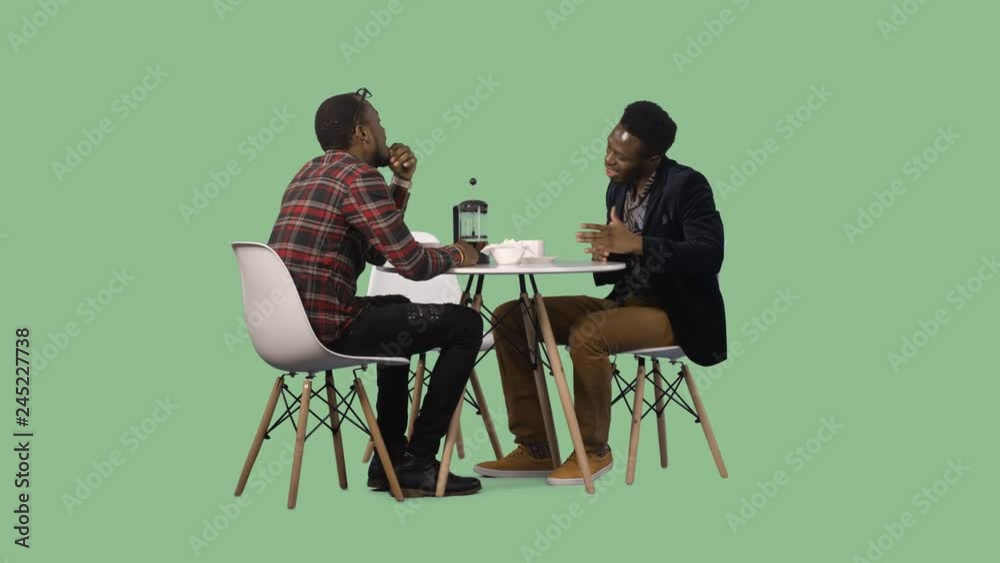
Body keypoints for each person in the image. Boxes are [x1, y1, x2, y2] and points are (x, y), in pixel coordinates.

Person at [474, 101, 727, 485]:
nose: (609, 159)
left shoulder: (687, 185)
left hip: (674, 314)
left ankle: (593, 450)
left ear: (653, 158)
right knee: (513, 316)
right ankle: (536, 448)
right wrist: (608, 255)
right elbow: (626, 261)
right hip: (624, 304)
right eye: (609, 146)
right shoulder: (617, 188)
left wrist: (638, 244)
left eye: (621, 156)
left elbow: (710, 254)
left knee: (588, 334)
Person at [268, 88, 483, 497]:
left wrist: (401, 182)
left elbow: (375, 247)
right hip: (328, 329)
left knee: (398, 308)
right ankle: (418, 461)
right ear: (361, 133)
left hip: (287, 327)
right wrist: (461, 253)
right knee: (467, 324)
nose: (386, 131)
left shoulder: (307, 172)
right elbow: (412, 264)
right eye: (379, 122)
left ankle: (388, 461)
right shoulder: (358, 177)